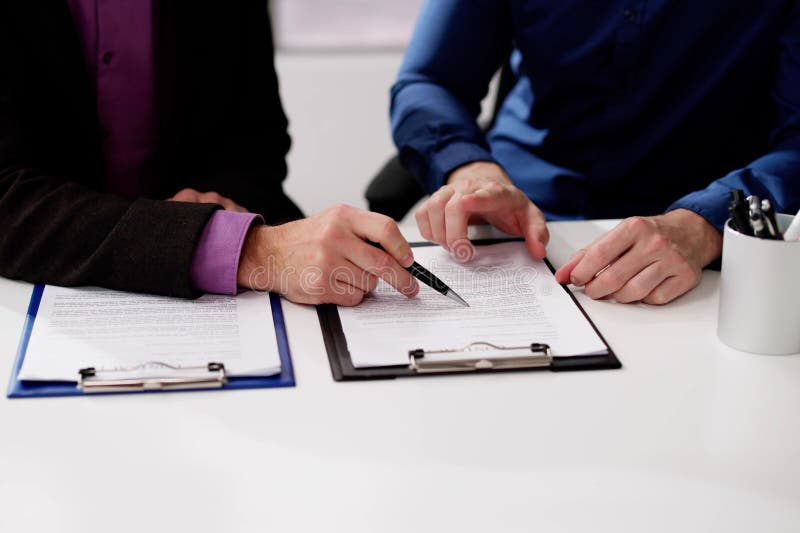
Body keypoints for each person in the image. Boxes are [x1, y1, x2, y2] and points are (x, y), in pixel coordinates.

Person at [0, 1, 418, 306]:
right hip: (40, 291)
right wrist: (234, 245)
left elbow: (257, 144)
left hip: (209, 306)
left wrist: (216, 206)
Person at [391, 0, 800, 304]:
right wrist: (470, 169)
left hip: (695, 247)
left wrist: (703, 225)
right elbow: (430, 81)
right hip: (515, 220)